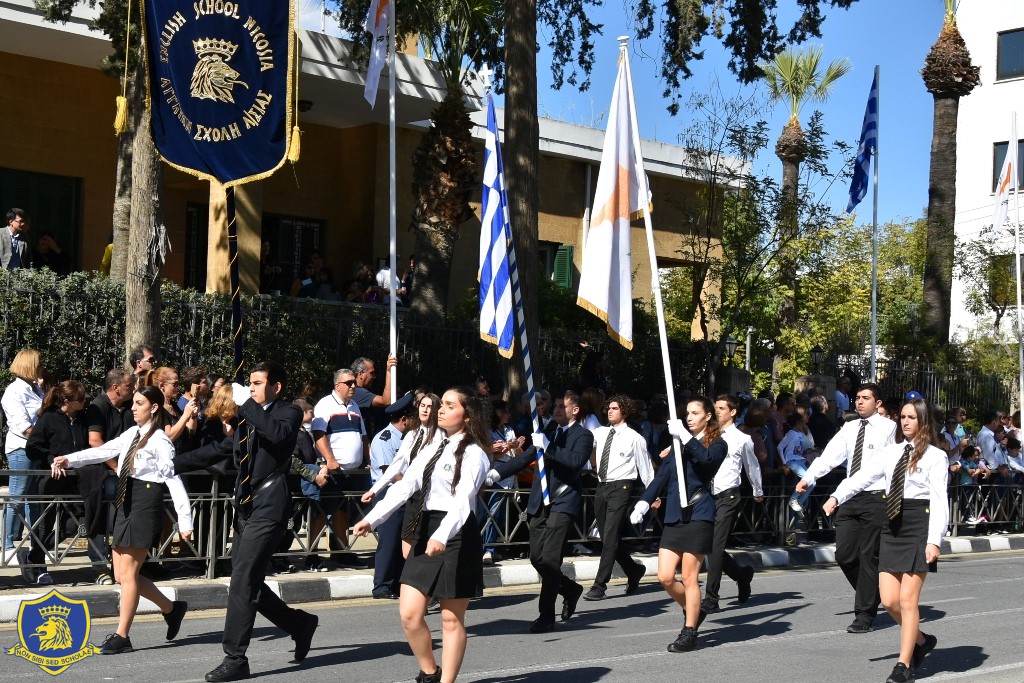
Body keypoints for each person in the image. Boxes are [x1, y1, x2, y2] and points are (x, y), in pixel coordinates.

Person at [353, 387, 491, 683]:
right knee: (410, 614)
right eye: (443, 404)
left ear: (467, 417)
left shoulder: (474, 453)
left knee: (451, 618)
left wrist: (441, 535)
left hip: (456, 533)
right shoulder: (433, 446)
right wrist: (373, 518)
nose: (441, 409)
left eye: (450, 405)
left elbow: (463, 500)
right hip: (425, 527)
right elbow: (406, 486)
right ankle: (430, 671)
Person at [50, 385, 191, 654]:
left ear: (154, 408)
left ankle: (122, 636)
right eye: (134, 402)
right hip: (125, 500)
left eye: (139, 403)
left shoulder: (160, 440)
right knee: (121, 574)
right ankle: (172, 608)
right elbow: (103, 451)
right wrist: (69, 459)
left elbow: (173, 481)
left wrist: (185, 521)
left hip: (145, 502)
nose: (134, 407)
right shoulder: (133, 433)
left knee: (128, 575)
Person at [203, 361, 318, 682]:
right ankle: (299, 624)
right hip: (246, 507)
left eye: (257, 383)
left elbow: (278, 434)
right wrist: (173, 460)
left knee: (242, 580)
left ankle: (235, 657)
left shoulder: (288, 412)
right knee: (247, 579)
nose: (250, 388)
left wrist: (248, 405)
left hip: (271, 505)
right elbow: (224, 448)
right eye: (249, 383)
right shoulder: (249, 415)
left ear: (276, 387)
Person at [822, 398, 948, 683]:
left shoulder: (935, 456)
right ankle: (922, 641)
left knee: (907, 601)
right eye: (902, 417)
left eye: (911, 418)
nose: (905, 422)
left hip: (919, 524)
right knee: (890, 601)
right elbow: (862, 477)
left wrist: (934, 540)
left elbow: (940, 501)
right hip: (892, 525)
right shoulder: (891, 452)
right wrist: (836, 497)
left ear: (923, 421)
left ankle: (903, 665)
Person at [485, 390, 594, 633]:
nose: (555, 410)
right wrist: (497, 473)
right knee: (536, 558)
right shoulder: (549, 431)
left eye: (561, 406)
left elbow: (575, 462)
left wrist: (549, 447)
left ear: (575, 410)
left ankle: (546, 615)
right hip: (539, 503)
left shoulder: (583, 435)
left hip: (563, 501)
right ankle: (570, 588)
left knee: (551, 560)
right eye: (554, 405)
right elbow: (525, 458)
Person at [795, 382, 896, 633]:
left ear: (878, 403)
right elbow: (830, 457)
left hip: (876, 497)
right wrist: (808, 478)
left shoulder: (890, 429)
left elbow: (892, 466)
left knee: (868, 556)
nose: (859, 402)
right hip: (849, 496)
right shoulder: (849, 428)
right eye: (858, 398)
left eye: (865, 398)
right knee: (844, 555)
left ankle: (864, 614)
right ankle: (871, 593)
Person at [630, 396, 727, 653]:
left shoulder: (718, 443)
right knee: (664, 576)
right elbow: (662, 475)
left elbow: (706, 460)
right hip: (675, 514)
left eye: (695, 413)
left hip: (699, 512)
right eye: (687, 413)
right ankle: (694, 610)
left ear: (708, 416)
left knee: (689, 577)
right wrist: (644, 501)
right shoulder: (678, 443)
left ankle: (690, 630)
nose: (689, 417)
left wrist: (683, 437)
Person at [583, 395, 652, 601]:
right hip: (602, 486)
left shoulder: (635, 438)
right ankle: (633, 570)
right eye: (608, 408)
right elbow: (587, 446)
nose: (609, 411)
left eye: (614, 408)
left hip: (621, 487)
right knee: (607, 537)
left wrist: (651, 495)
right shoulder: (600, 432)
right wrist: (593, 466)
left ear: (625, 411)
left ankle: (599, 584)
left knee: (611, 536)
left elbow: (646, 469)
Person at [21, 381, 89, 585]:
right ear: (67, 401)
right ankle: (38, 566)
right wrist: (52, 458)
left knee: (78, 523)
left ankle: (33, 556)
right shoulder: (49, 419)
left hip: (75, 481)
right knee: (45, 525)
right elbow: (32, 447)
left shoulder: (82, 419)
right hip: (51, 480)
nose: (84, 402)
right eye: (80, 399)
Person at [363, 392, 442, 561]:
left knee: (428, 549)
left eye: (430, 407)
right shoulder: (412, 435)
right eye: (422, 406)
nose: (425, 410)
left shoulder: (441, 437)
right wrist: (375, 490)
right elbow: (395, 466)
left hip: (432, 497)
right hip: (412, 498)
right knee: (407, 551)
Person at [702, 394, 763, 613]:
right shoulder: (708, 434)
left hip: (728, 496)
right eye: (715, 407)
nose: (717, 411)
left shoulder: (741, 439)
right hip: (706, 496)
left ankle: (711, 597)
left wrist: (758, 490)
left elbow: (752, 465)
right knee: (708, 546)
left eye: (721, 408)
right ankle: (742, 574)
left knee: (716, 547)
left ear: (733, 412)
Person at [310, 368, 364, 568]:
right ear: (337, 385)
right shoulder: (325, 404)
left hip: (352, 471)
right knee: (322, 512)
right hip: (333, 470)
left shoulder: (355, 406)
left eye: (354, 383)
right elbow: (318, 433)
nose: (353, 386)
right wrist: (330, 459)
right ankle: (312, 553)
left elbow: (363, 435)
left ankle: (341, 551)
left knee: (343, 511)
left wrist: (367, 458)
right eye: (349, 383)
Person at [365, 393, 416, 598]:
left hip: (405, 493)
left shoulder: (409, 438)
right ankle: (382, 586)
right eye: (412, 417)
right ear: (404, 419)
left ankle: (396, 583)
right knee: (389, 541)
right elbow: (392, 472)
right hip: (388, 493)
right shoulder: (384, 439)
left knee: (401, 541)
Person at [2, 348, 45, 565]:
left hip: (36, 448)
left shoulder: (36, 389)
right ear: (29, 365)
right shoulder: (13, 391)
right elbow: (21, 425)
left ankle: (35, 546)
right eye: (38, 363)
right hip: (21, 448)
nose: (41, 367)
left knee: (35, 498)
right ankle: (7, 545)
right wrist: (42, 438)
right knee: (17, 495)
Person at [480, 399, 523, 564]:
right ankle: (487, 549)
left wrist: (516, 446)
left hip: (509, 474)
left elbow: (518, 453)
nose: (507, 415)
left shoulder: (508, 430)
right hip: (494, 474)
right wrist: (499, 449)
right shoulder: (487, 431)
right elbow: (489, 452)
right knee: (491, 511)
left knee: (499, 514)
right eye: (504, 411)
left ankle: (493, 546)